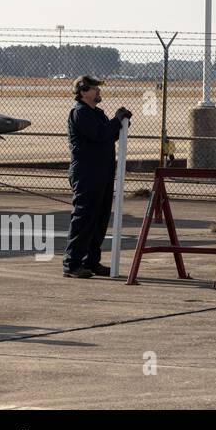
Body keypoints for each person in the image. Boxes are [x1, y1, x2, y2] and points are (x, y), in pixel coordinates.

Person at [64, 75, 132, 278]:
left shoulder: (97, 113)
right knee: (84, 218)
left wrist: (121, 122)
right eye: (94, 89)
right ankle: (72, 263)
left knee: (99, 219)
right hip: (87, 173)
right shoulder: (80, 113)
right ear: (83, 91)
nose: (98, 92)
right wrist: (116, 120)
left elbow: (109, 134)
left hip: (102, 172)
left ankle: (91, 261)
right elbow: (100, 134)